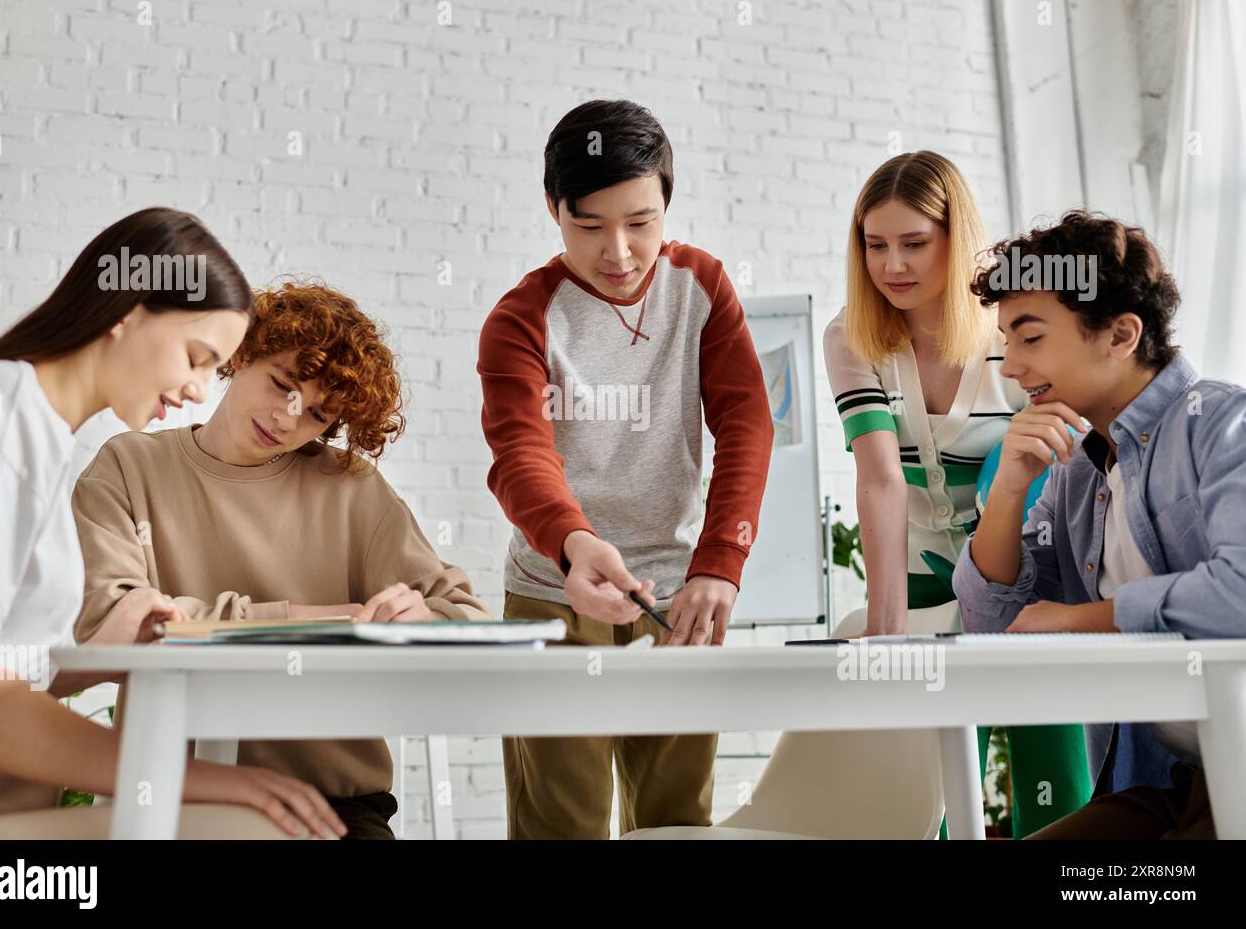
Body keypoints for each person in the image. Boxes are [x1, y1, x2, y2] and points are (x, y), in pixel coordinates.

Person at [0, 208, 345, 839]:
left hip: (7, 800)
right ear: (127, 309)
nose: (195, 391)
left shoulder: (43, 433)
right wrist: (191, 776)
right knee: (258, 829)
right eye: (195, 357)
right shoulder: (3, 413)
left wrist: (98, 657)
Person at [73, 279, 489, 840]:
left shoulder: (351, 487)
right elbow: (111, 619)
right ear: (241, 353)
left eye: (317, 415)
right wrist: (315, 619)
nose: (288, 419)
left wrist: (420, 624)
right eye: (282, 385)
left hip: (332, 806)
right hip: (170, 796)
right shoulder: (129, 466)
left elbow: (468, 618)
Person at [478, 99, 774, 838]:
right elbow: (521, 455)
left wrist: (721, 563)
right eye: (590, 227)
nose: (618, 251)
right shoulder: (520, 319)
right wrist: (576, 546)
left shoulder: (701, 287)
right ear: (553, 210)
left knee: (675, 822)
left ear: (666, 202)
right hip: (553, 591)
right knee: (560, 825)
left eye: (641, 223)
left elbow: (746, 425)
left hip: (678, 599)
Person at [954, 209, 1246, 838]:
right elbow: (997, 624)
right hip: (1164, 784)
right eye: (1007, 344)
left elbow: (1241, 588)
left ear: (1120, 334)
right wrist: (1007, 486)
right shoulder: (1077, 474)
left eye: (1030, 339)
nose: (1009, 367)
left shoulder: (1224, 426)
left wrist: (1083, 620)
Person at [823, 152, 1091, 837]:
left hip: (1029, 575)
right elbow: (881, 477)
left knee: (1057, 786)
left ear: (956, 237)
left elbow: (1071, 459)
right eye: (875, 245)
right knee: (928, 799)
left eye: (915, 243)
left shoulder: (1015, 330)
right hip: (917, 578)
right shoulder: (853, 338)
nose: (893, 266)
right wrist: (885, 638)